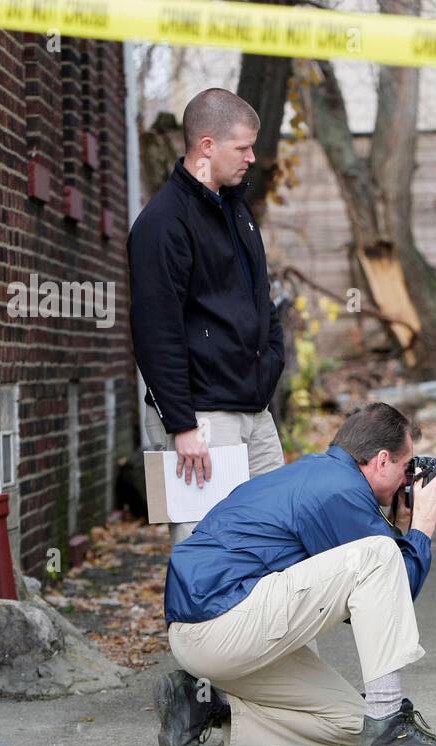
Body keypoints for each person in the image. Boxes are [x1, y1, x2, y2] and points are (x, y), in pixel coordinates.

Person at [152, 402, 436, 746]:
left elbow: (376, 601)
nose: (410, 479)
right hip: (220, 624)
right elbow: (396, 585)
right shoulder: (340, 490)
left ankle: (204, 711)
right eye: (408, 467)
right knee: (379, 554)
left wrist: (404, 522)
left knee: (353, 724)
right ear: (382, 459)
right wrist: (422, 527)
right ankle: (390, 729)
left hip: (215, 633)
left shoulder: (322, 476)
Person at [129, 88, 286, 546]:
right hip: (200, 418)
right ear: (207, 146)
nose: (252, 158)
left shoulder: (237, 211)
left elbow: (261, 298)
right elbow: (156, 331)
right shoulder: (162, 224)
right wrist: (181, 424)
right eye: (243, 147)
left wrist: (271, 362)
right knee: (206, 551)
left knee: (274, 542)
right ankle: (196, 624)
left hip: (253, 411)